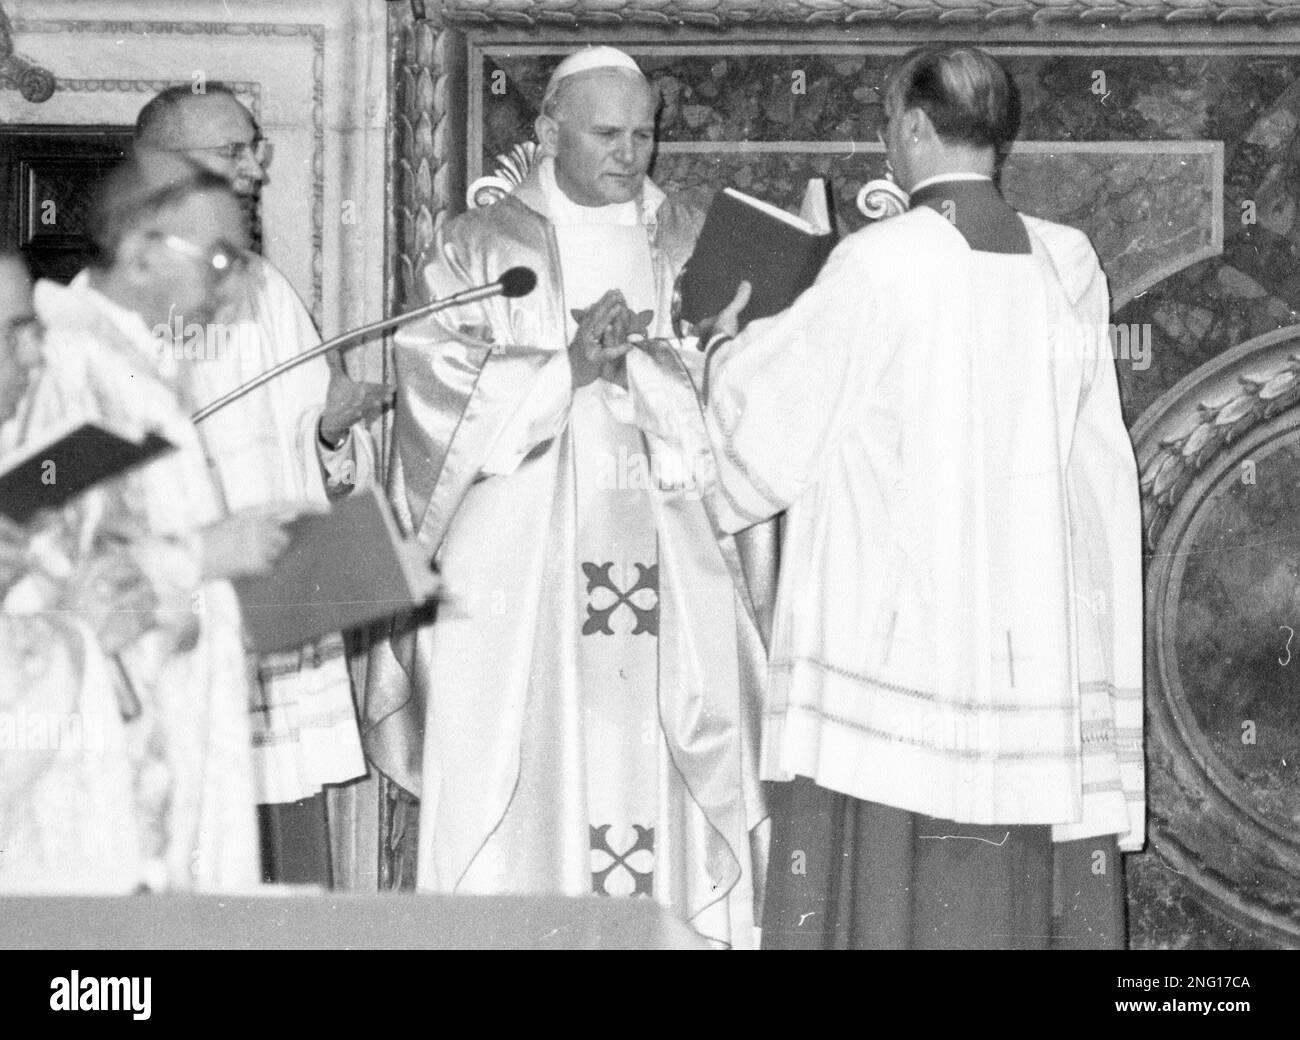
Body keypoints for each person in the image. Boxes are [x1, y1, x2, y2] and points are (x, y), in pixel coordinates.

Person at [612, 45, 1144, 949]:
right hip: (1032, 651)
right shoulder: (1067, 266)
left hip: (890, 655)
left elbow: (765, 428)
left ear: (913, 127)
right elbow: (1096, 469)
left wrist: (713, 353)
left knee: (877, 904)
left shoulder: (878, 263)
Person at [365, 46, 768, 946]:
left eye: (646, 132)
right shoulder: (484, 244)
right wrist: (569, 368)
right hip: (522, 573)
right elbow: (434, 381)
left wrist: (678, 360)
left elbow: (742, 394)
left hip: (670, 551)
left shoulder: (694, 235)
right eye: (608, 133)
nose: (634, 153)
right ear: (548, 132)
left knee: (658, 764)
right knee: (522, 764)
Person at [1, 158, 299, 891]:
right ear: (139, 254)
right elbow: (26, 567)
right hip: (88, 770)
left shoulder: (130, 368)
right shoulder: (75, 371)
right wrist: (203, 557)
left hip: (163, 730)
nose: (234, 288)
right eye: (221, 259)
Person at [134, 84, 392, 884]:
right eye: (233, 151)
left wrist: (333, 430)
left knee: (277, 855)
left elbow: (312, 444)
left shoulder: (264, 290)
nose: (255, 167)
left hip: (269, 607)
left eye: (256, 148)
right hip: (175, 618)